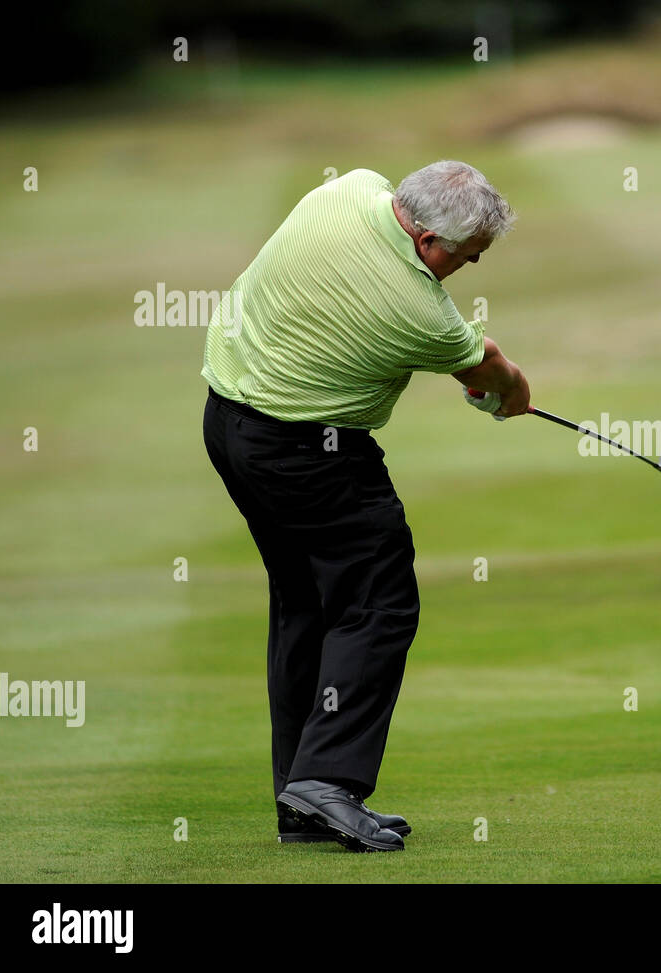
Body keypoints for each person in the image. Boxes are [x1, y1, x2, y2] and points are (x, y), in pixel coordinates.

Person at [201, 161, 529, 852]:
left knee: (307, 604)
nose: (463, 271)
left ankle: (302, 795)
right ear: (431, 241)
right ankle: (326, 779)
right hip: (307, 452)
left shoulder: (350, 188)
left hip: (228, 423)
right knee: (378, 600)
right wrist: (511, 392)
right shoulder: (423, 314)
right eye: (467, 259)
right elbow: (488, 367)